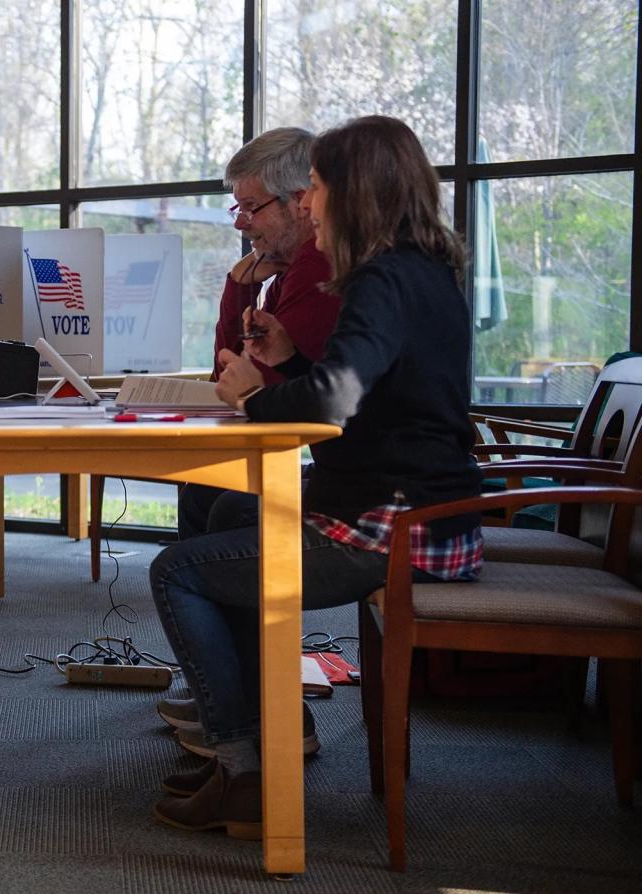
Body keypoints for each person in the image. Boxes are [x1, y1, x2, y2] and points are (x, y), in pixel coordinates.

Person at [148, 115, 483, 839]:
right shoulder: (419, 270)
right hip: (421, 512)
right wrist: (293, 360)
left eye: (318, 188)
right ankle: (262, 732)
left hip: (391, 529)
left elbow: (336, 400)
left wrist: (255, 395)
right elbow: (361, 394)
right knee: (230, 522)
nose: (307, 203)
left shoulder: (381, 279)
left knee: (178, 571)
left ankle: (242, 770)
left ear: (353, 193)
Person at [179, 127, 340, 541]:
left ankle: (211, 582)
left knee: (215, 509)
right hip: (349, 471)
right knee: (206, 493)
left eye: (251, 207)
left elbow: (254, 386)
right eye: (238, 207)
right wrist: (239, 283)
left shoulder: (319, 266)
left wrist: (240, 291)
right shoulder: (290, 271)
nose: (240, 223)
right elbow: (231, 377)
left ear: (300, 200)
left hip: (373, 491)